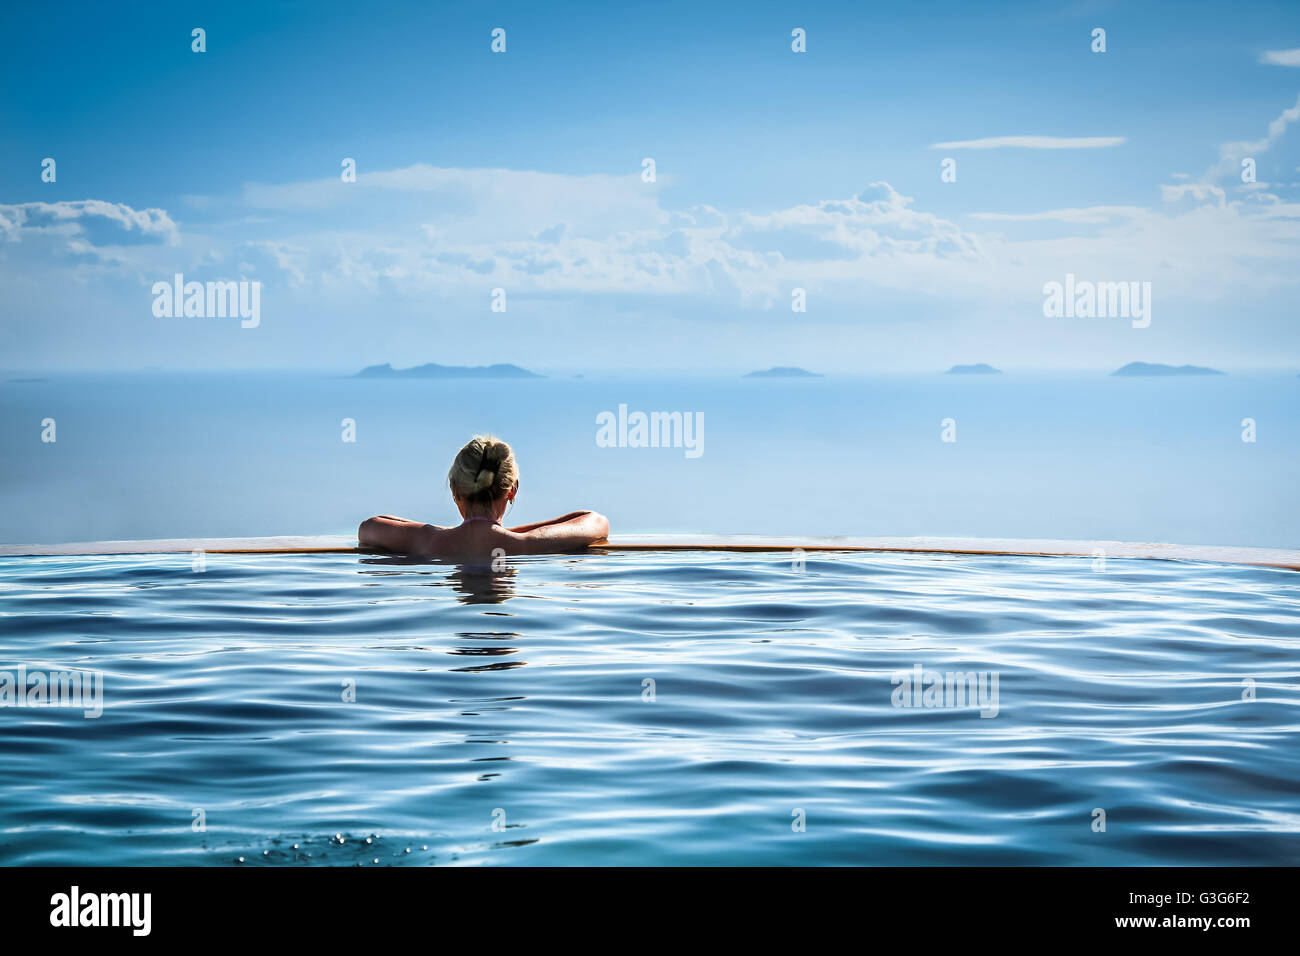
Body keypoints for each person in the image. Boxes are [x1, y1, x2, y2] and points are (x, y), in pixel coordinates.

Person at [358, 435, 609, 559]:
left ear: (456, 491)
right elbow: (596, 521)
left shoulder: (429, 541)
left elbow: (369, 527)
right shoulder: (527, 544)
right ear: (512, 490)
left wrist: (452, 532)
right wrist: (516, 533)